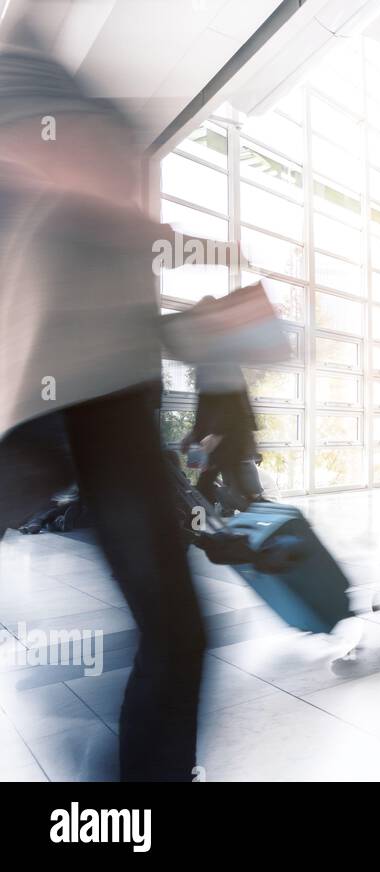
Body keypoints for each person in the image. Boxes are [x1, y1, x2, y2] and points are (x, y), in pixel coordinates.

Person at [0, 43, 211, 780]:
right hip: (46, 400)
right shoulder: (28, 86)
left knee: (178, 628)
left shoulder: (72, 103)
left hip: (108, 402)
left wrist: (210, 329)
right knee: (175, 627)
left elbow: (136, 289)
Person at [182, 357, 263, 513]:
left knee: (243, 494)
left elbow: (236, 406)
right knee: (206, 489)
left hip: (231, 440)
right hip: (221, 442)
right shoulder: (207, 364)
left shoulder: (221, 362)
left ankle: (265, 523)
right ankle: (196, 529)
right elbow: (205, 409)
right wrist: (194, 435)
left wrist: (217, 434)